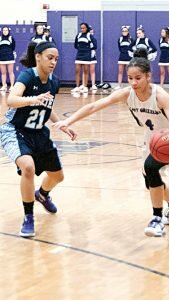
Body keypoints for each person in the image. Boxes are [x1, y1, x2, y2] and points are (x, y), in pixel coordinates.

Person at [53, 48, 169, 237]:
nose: (133, 82)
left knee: (151, 169)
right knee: (150, 181)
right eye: (130, 78)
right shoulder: (126, 94)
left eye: (138, 78)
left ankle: (157, 219)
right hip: (151, 140)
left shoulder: (160, 96)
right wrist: (68, 121)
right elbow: (94, 106)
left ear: (148, 76)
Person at [0, 41, 77, 237]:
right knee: (28, 167)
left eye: (56, 59)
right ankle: (28, 217)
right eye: (50, 58)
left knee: (58, 176)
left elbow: (47, 107)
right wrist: (31, 100)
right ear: (38, 57)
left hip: (39, 132)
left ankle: (42, 195)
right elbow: (11, 100)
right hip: (16, 130)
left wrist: (62, 124)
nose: (53, 62)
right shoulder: (27, 76)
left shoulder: (54, 82)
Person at [71, 22, 92, 93]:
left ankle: (85, 87)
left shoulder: (89, 35)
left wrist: (87, 49)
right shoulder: (78, 35)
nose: (82, 29)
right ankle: (77, 86)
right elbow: (75, 45)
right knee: (77, 71)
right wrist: (80, 49)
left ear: (86, 28)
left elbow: (95, 45)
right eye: (81, 28)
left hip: (86, 55)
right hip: (79, 55)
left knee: (86, 71)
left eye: (84, 28)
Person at [158, 27, 169, 92]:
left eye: (163, 32)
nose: (161, 33)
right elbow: (161, 49)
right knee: (162, 73)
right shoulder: (160, 40)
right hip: (162, 58)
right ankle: (161, 86)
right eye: (161, 32)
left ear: (166, 33)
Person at [115, 25, 133, 90]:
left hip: (129, 57)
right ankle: (119, 85)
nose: (124, 32)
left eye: (126, 31)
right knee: (120, 71)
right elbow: (119, 48)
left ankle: (130, 85)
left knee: (129, 72)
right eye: (123, 31)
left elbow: (132, 48)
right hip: (122, 57)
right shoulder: (120, 39)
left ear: (128, 32)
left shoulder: (131, 39)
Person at [0, 26, 16, 92]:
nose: (5, 31)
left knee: (10, 72)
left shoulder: (11, 38)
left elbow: (13, 47)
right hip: (1, 57)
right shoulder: (0, 38)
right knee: (3, 73)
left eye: (6, 30)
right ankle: (4, 85)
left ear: (8, 31)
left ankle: (12, 86)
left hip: (10, 57)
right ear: (2, 31)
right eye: (4, 30)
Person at [89, 26, 98, 91]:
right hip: (85, 56)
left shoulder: (94, 39)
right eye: (90, 32)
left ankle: (93, 84)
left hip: (92, 56)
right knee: (85, 70)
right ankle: (84, 85)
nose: (91, 33)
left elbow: (95, 46)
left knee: (92, 70)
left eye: (92, 32)